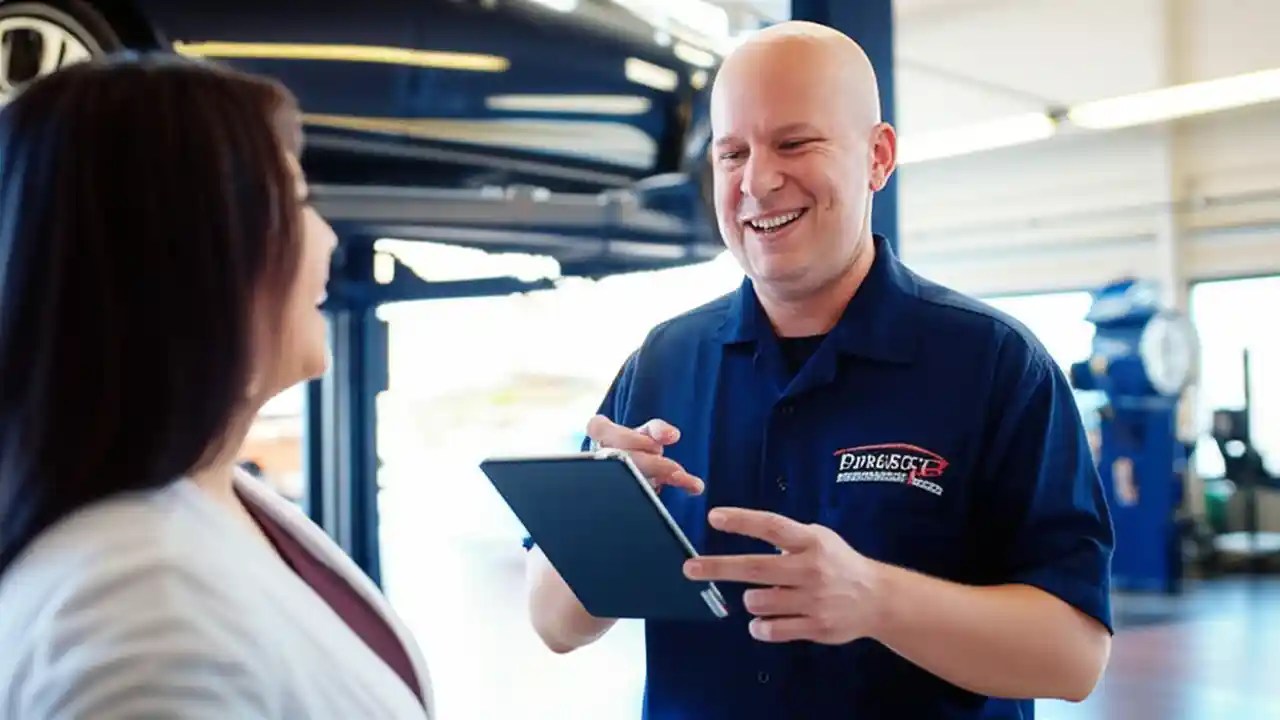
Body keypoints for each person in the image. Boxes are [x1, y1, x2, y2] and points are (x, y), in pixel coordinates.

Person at [525, 21, 1114, 719]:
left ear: (878, 157)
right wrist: (602, 520)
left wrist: (876, 599)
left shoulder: (995, 366)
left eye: (794, 143)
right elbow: (554, 624)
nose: (757, 182)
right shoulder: (663, 362)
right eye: (732, 152)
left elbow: (1073, 658)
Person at [0, 55, 432, 719]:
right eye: (297, 202)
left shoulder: (199, 496)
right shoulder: (139, 616)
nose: (328, 237)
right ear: (190, 257)